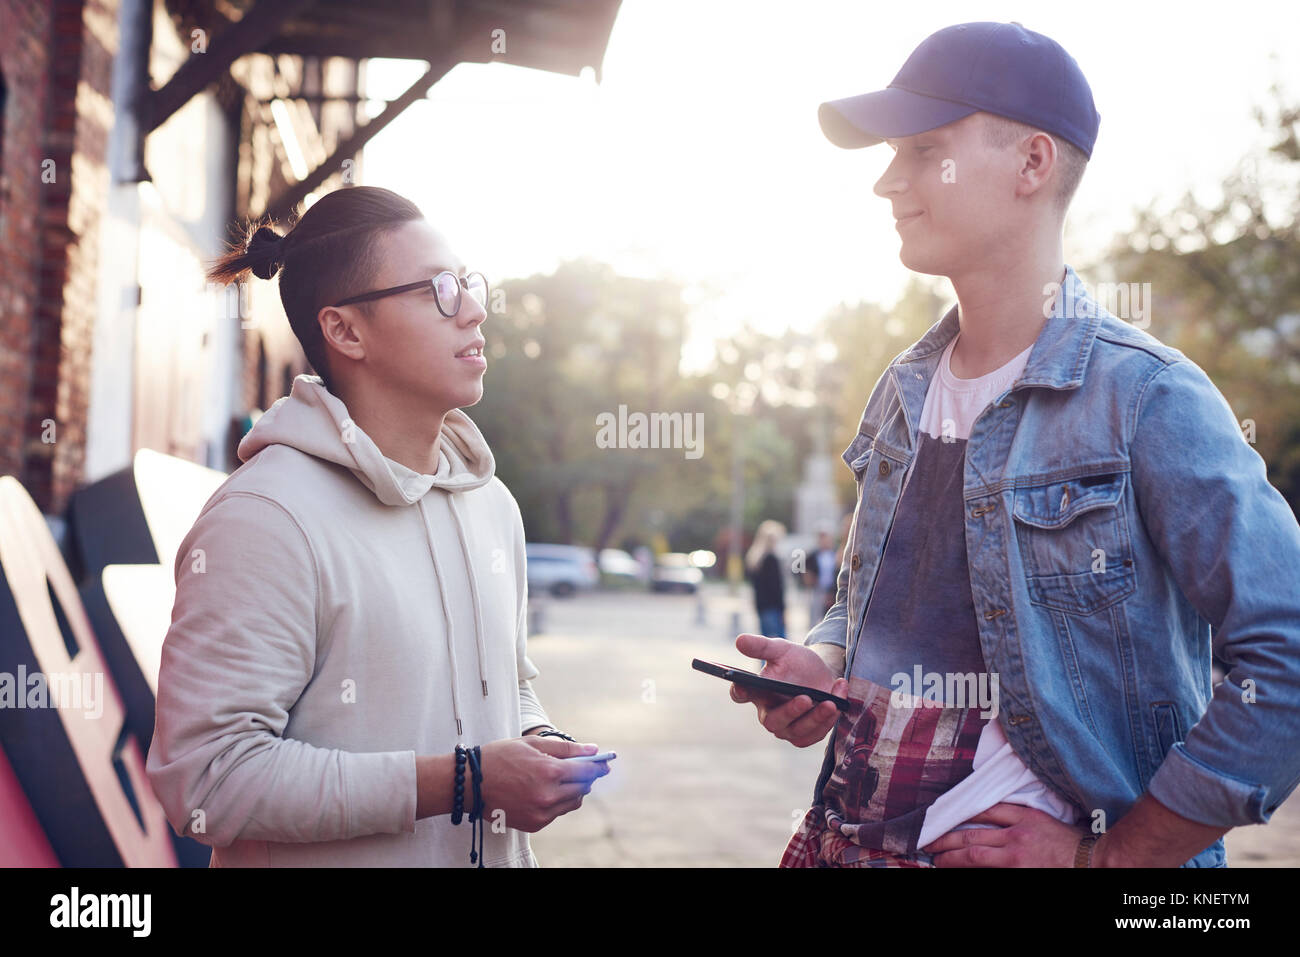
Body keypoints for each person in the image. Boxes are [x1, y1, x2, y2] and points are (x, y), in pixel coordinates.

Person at [731, 21, 1300, 868]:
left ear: (1034, 163)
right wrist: (821, 663)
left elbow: (1286, 650)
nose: (889, 181)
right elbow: (868, 603)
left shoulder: (1146, 397)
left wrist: (1107, 860)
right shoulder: (902, 391)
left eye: (926, 149)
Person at [145, 186, 609, 867]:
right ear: (345, 331)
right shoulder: (265, 519)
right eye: (439, 290)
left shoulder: (492, 505)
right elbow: (206, 779)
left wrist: (534, 736)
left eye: (468, 283)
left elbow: (505, 680)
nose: (475, 309)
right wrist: (464, 780)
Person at [745, 520, 788, 638]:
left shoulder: (755, 558)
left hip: (761, 606)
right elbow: (776, 588)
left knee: (764, 644)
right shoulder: (771, 559)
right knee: (778, 647)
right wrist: (783, 609)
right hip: (773, 608)